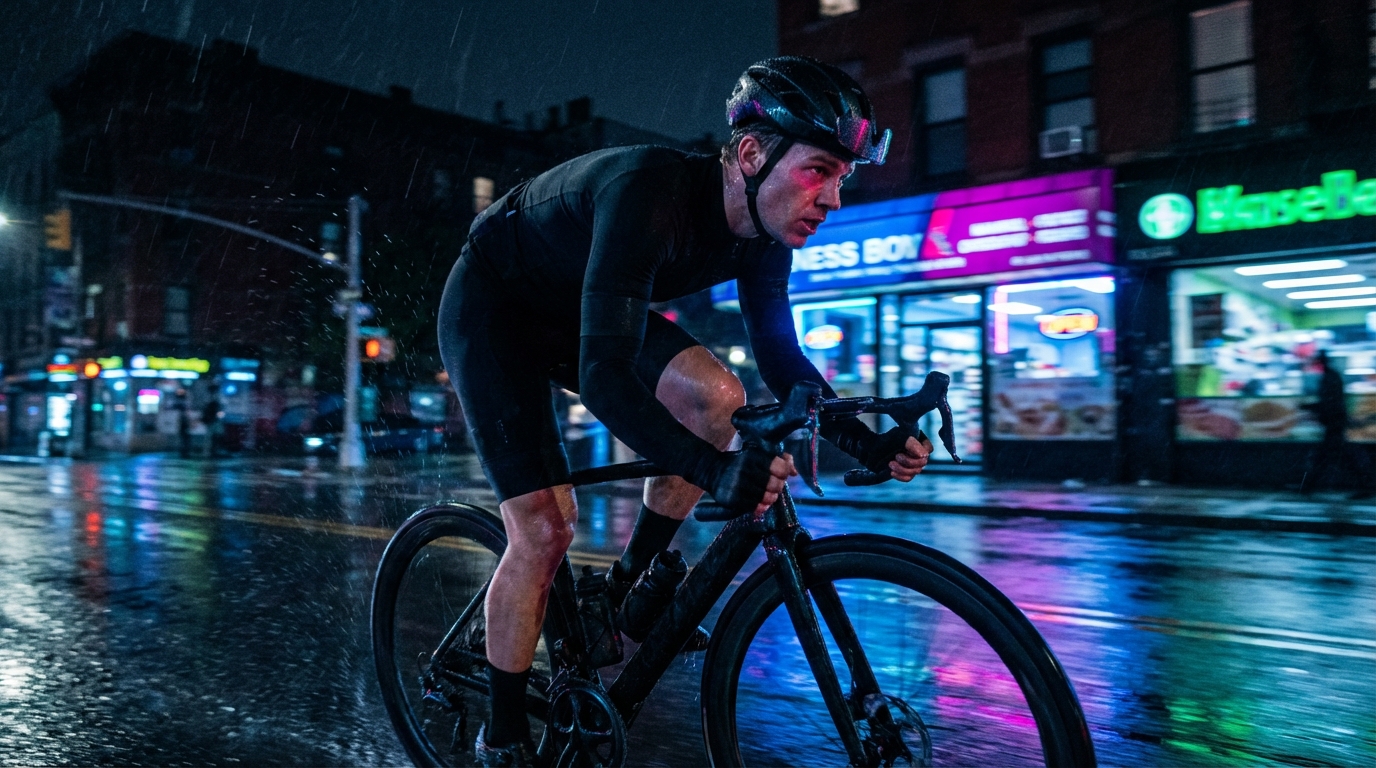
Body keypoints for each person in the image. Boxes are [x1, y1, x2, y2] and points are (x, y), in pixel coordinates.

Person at [437, 56, 935, 766]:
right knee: (545, 530)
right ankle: (505, 739)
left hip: (582, 310)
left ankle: (623, 588)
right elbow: (605, 382)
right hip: (497, 309)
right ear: (753, 154)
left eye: (841, 179)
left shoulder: (766, 239)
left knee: (719, 397)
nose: (832, 198)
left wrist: (869, 441)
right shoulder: (650, 194)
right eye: (819, 171)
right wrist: (715, 469)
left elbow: (783, 362)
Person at [1301, 350, 1374, 497]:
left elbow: (1329, 402)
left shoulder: (1329, 377)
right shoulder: (1332, 376)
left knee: (1333, 457)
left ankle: (1308, 487)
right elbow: (1333, 401)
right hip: (1336, 423)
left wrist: (1309, 407)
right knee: (1340, 457)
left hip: (1333, 423)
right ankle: (1308, 487)